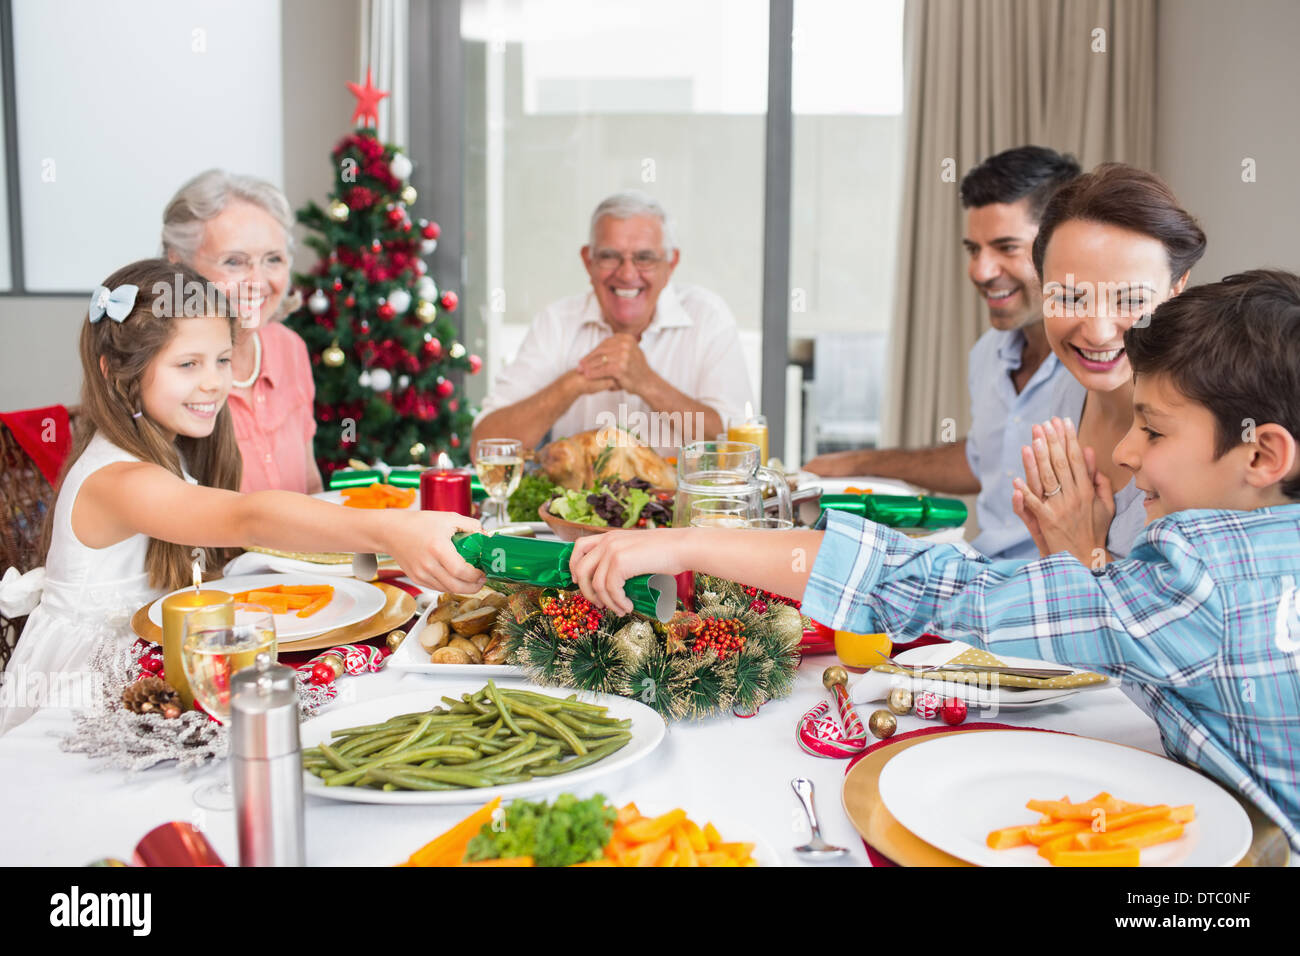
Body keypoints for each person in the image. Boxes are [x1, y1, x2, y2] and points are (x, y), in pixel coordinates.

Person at [568, 270, 1300, 849]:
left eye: (1153, 429)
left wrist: (687, 541)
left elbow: (933, 587)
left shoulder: (1198, 574)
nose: (1126, 451)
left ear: (1263, 452)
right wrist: (1091, 565)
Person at [0, 259, 483, 734]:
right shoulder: (118, 480)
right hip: (85, 686)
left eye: (222, 360)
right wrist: (392, 530)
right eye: (188, 364)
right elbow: (246, 517)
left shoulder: (165, 452)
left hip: (158, 661)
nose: (214, 382)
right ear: (116, 373)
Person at [806, 146, 1083, 561]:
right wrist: (857, 462)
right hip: (985, 567)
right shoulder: (989, 353)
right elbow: (983, 460)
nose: (980, 271)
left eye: (1006, 247)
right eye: (974, 249)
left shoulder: (1100, 369)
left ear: (1062, 247)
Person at [1010, 163, 1206, 563]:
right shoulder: (1066, 388)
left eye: (1131, 300)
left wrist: (1083, 551)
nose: (1097, 333)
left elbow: (1182, 615)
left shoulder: (1208, 435)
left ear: (1178, 287)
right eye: (1068, 297)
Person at [470, 191, 754, 457]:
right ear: (588, 261)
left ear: (671, 264)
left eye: (644, 258)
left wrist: (647, 383)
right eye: (609, 257)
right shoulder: (556, 322)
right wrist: (572, 384)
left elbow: (740, 448)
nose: (627, 273)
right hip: (573, 509)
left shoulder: (708, 316)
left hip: (685, 508)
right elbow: (485, 448)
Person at [162, 170, 323, 494]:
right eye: (235, 262)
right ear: (179, 263)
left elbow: (309, 484)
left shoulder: (289, 347)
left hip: (303, 545)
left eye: (273, 259)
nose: (259, 283)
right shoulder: (162, 366)